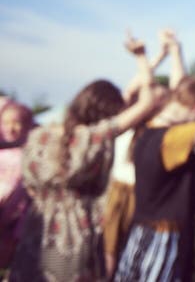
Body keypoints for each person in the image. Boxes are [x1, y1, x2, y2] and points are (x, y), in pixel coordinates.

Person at [7, 35, 162, 282]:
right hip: (73, 235)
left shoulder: (39, 136)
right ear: (106, 112)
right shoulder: (93, 138)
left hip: (35, 229)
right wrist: (142, 57)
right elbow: (147, 102)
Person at [114, 30, 195, 282]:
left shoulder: (151, 126)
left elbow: (179, 87)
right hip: (164, 239)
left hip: (141, 232)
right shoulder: (174, 138)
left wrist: (175, 52)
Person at [102, 28, 184, 278]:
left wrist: (176, 51)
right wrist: (155, 56)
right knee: (109, 251)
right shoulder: (128, 121)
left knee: (131, 253)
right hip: (118, 191)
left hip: (144, 198)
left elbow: (180, 88)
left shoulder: (160, 132)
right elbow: (134, 87)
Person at [0, 99, 36, 268]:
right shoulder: (2, 149)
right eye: (5, 122)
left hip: (13, 220)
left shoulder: (28, 154)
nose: (10, 127)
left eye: (16, 123)